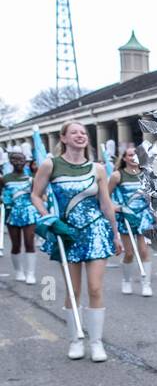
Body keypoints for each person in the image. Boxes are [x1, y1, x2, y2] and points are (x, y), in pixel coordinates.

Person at [31, 121, 122, 362]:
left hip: (95, 232)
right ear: (63, 138)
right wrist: (49, 219)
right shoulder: (51, 165)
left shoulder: (98, 169)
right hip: (66, 234)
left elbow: (105, 203)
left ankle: (96, 342)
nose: (80, 136)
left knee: (94, 288)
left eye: (83, 133)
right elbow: (35, 195)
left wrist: (115, 233)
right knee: (73, 290)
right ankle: (75, 339)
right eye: (74, 133)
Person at [109, 144, 156, 297]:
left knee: (144, 251)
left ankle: (146, 284)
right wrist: (115, 207)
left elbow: (153, 195)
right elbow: (105, 196)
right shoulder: (117, 175)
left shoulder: (147, 174)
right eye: (129, 155)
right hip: (126, 217)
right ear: (124, 158)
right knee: (129, 253)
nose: (133, 157)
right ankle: (126, 281)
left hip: (143, 217)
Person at [3, 149, 39, 284]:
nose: (18, 162)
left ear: (25, 162)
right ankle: (19, 271)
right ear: (10, 161)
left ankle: (31, 274)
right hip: (12, 213)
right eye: (15, 159)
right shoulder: (5, 179)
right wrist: (5, 200)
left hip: (29, 213)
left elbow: (37, 196)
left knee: (29, 243)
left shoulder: (31, 179)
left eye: (21, 160)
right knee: (16, 244)